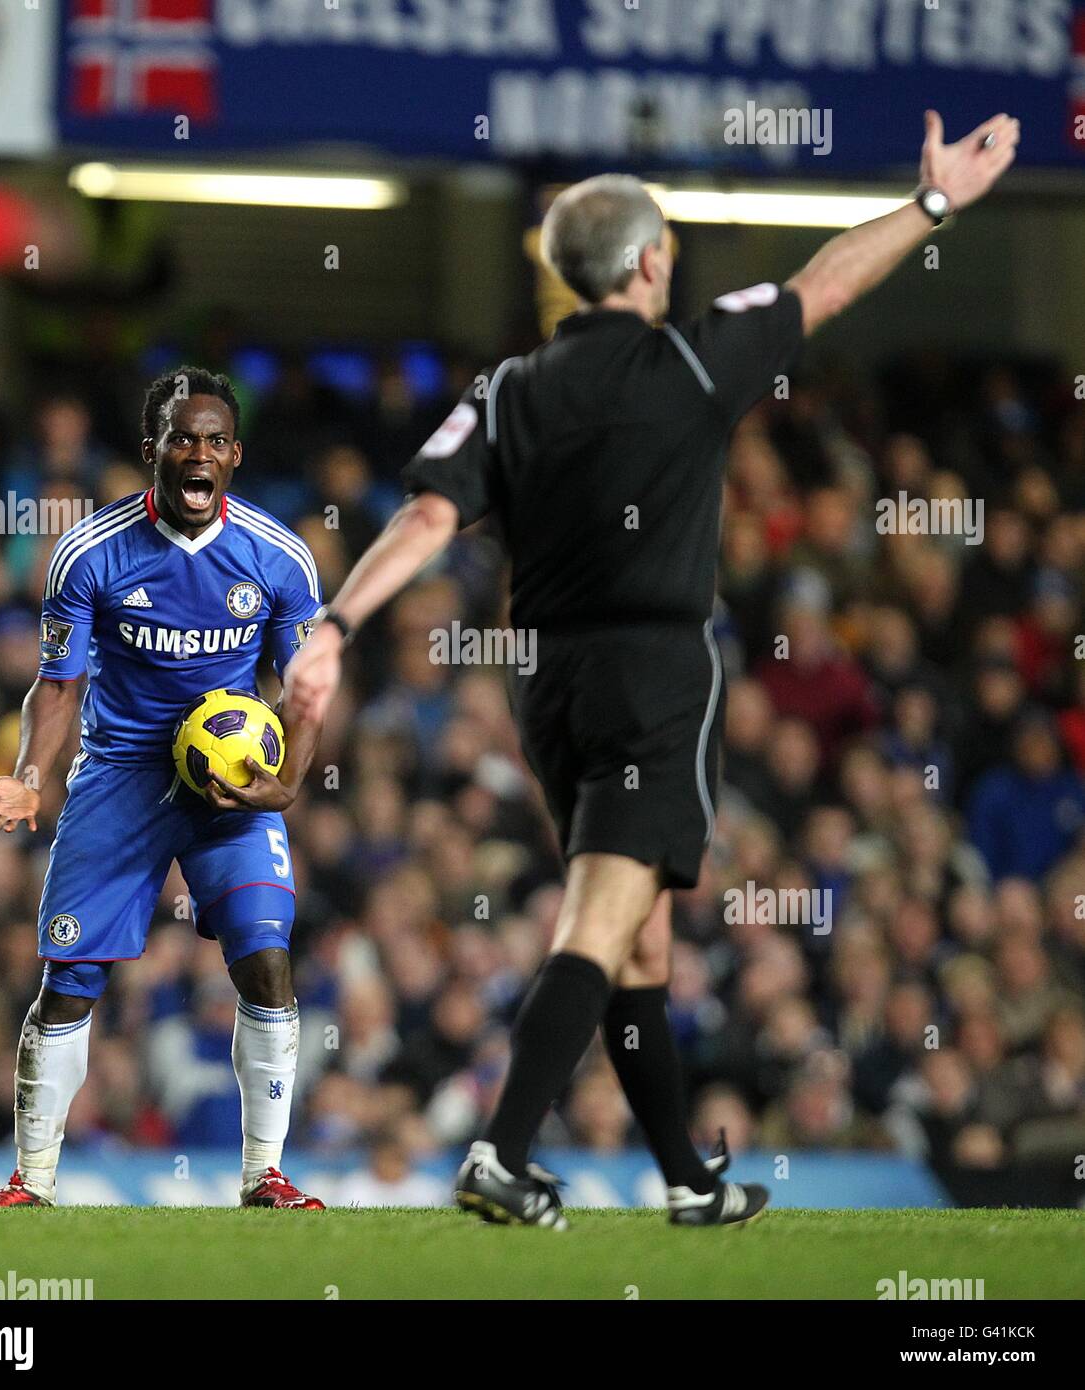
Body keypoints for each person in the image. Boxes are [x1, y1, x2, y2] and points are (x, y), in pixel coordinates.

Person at [286, 111, 1020, 1229]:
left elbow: (431, 515)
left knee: (644, 940)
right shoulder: (690, 357)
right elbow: (824, 284)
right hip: (656, 679)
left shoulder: (510, 387)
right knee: (598, 922)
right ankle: (499, 1148)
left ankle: (684, 1178)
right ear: (649, 262)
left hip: (550, 687)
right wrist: (932, 204)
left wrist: (337, 619)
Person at [0, 366, 327, 1210]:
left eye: (212, 440)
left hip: (229, 786)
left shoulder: (278, 558)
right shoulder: (89, 552)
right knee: (68, 978)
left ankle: (263, 1174)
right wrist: (31, 780)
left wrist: (289, 783)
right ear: (151, 452)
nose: (197, 453)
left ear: (233, 455)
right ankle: (34, 1180)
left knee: (267, 960)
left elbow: (306, 684)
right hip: (119, 775)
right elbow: (57, 684)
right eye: (180, 439)